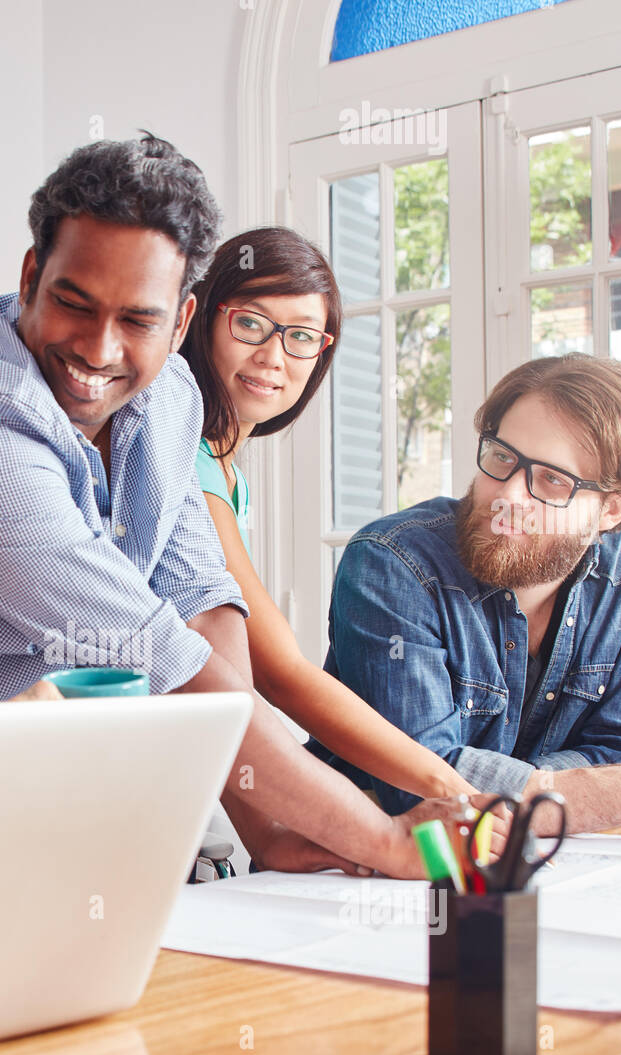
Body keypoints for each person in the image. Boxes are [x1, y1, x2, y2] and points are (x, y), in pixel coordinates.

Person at [0, 134, 476, 877]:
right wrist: (390, 842)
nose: (98, 350)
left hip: (41, 802)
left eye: (137, 320)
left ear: (181, 315)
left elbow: (199, 603)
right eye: (74, 302)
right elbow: (160, 655)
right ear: (32, 274)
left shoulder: (168, 394)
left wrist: (266, 832)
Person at [322, 353, 621, 841]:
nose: (510, 496)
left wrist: (530, 790)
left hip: (559, 864)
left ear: (611, 510)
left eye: (552, 480)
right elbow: (426, 789)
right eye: (502, 457)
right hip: (360, 878)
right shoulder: (392, 563)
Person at [181, 226, 477, 804]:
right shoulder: (183, 457)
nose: (272, 357)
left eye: (301, 337)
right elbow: (276, 670)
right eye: (249, 323)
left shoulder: (228, 472)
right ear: (203, 316)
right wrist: (451, 788)